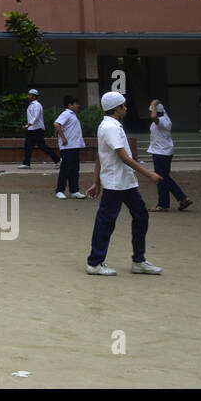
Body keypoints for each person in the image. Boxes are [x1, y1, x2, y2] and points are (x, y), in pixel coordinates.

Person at [85, 91, 164, 276]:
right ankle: (94, 263)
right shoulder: (111, 127)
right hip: (115, 183)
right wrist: (149, 174)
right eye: (124, 105)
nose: (126, 108)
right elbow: (123, 157)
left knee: (141, 216)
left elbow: (100, 155)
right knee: (106, 222)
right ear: (117, 108)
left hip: (125, 182)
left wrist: (95, 181)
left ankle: (139, 260)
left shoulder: (110, 125)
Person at [147, 100, 191, 212]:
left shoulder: (161, 121)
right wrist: (157, 104)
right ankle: (182, 199)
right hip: (165, 152)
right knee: (165, 177)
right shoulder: (166, 117)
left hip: (160, 153)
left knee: (161, 179)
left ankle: (163, 204)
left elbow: (153, 117)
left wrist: (153, 104)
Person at [53, 95, 88, 199]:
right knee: (65, 169)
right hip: (68, 147)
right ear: (69, 105)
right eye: (76, 103)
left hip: (74, 146)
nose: (78, 105)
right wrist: (63, 138)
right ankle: (59, 190)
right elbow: (56, 124)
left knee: (74, 169)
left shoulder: (73, 115)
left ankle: (74, 191)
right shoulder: (66, 113)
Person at [20, 88, 60, 168]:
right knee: (28, 146)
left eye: (29, 95)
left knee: (42, 146)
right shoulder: (31, 105)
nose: (28, 96)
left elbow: (36, 117)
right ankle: (26, 163)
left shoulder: (37, 105)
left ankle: (58, 160)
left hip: (37, 129)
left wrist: (27, 125)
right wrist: (29, 126)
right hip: (31, 129)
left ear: (34, 96)